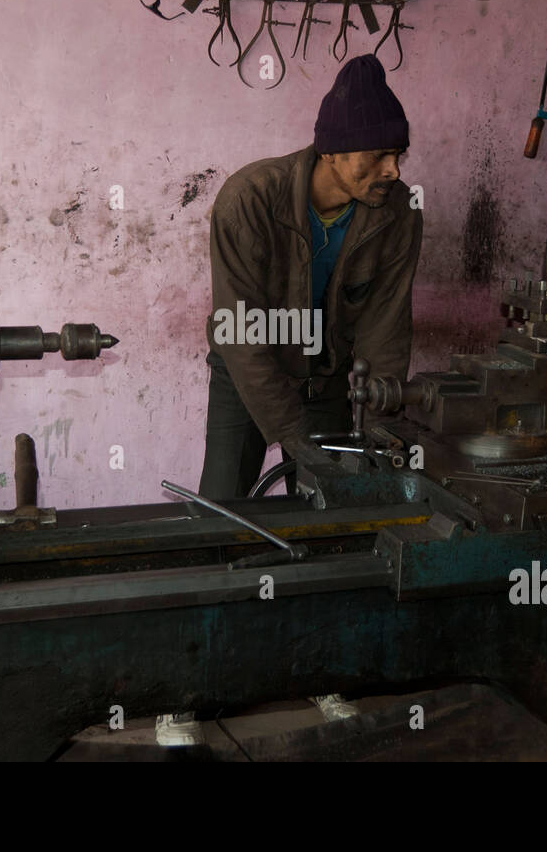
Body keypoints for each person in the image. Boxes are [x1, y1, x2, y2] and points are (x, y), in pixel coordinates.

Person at [156, 54, 423, 747]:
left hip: (327, 379)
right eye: (380, 156)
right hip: (247, 372)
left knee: (332, 525)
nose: (392, 172)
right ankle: (181, 693)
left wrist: (383, 416)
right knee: (221, 514)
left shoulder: (395, 215)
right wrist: (292, 434)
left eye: (397, 156)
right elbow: (242, 334)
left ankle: (322, 672)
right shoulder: (250, 197)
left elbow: (389, 322)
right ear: (332, 151)